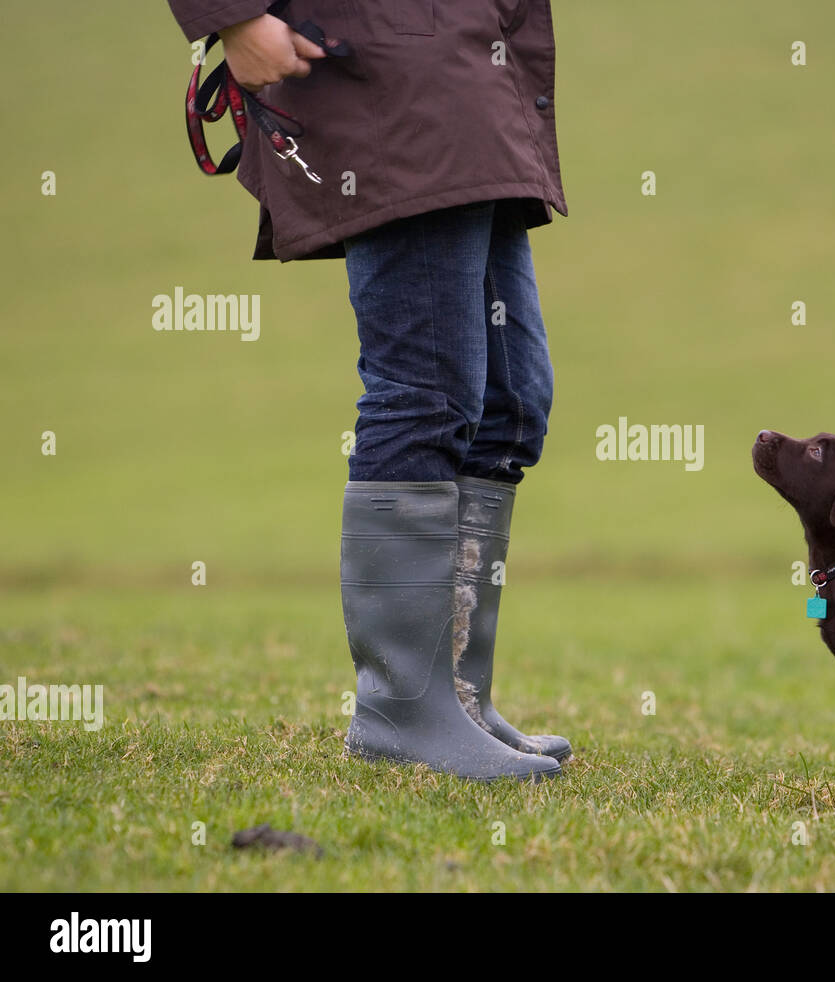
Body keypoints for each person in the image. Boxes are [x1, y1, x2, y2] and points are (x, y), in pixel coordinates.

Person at [167, 1, 571, 781]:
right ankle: (400, 710)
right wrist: (232, 17)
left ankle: (454, 696)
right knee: (426, 393)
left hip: (479, 87)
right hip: (389, 79)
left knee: (511, 405)